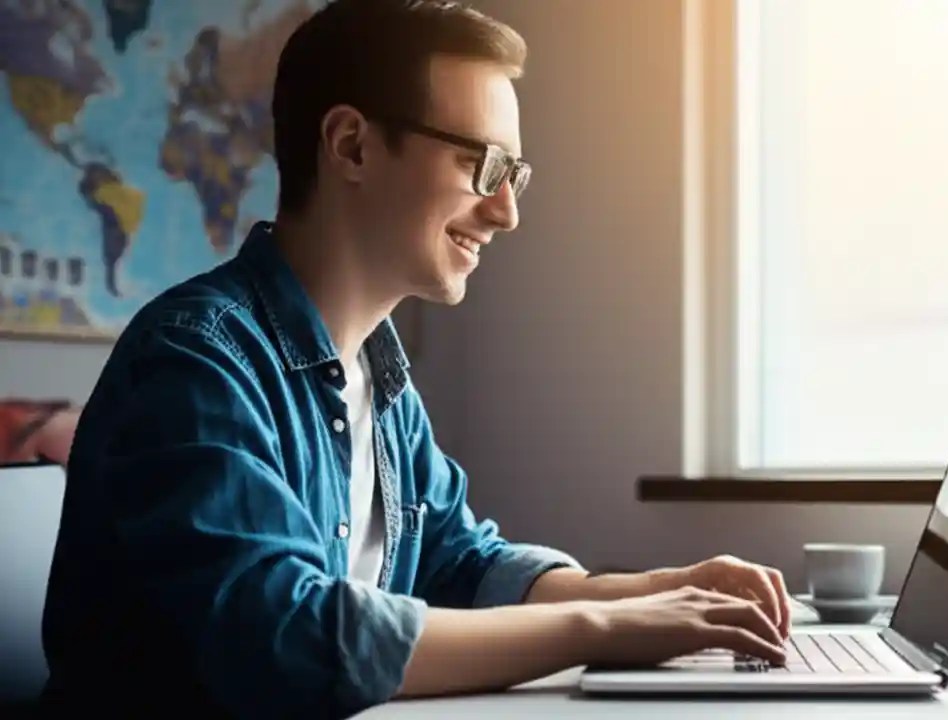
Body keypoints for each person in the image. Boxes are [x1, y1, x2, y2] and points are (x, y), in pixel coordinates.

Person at [41, 2, 791, 717]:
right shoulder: (197, 361)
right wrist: (600, 629)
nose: (507, 212)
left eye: (515, 176)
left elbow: (460, 565)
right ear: (352, 146)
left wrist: (656, 593)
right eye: (484, 166)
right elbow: (287, 637)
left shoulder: (380, 381)